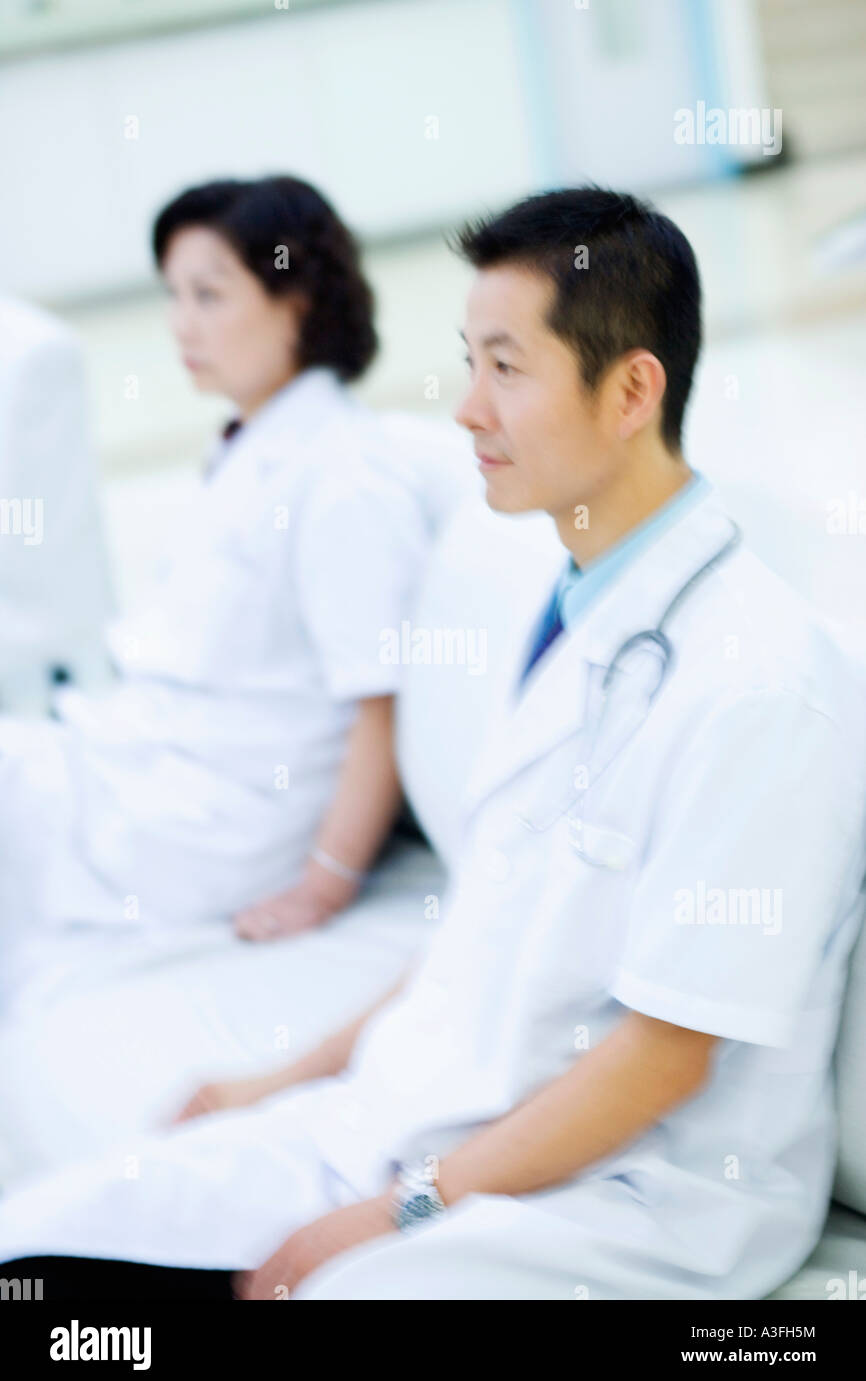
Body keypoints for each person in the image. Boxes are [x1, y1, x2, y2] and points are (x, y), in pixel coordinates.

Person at [1, 187, 864, 1301]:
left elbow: (664, 1058)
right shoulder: (579, 617)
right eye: (468, 363)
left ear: (631, 391)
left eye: (505, 368)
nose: (465, 410)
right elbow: (486, 929)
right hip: (422, 1124)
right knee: (37, 1247)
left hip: (624, 1195)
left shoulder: (758, 683)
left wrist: (400, 1209)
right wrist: (287, 1079)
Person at [0, 176, 458, 986]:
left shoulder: (345, 478)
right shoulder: (255, 448)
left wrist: (324, 884)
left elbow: (379, 706)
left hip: (210, 820)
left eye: (209, 295)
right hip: (143, 766)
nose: (181, 324)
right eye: (174, 296)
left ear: (298, 301)